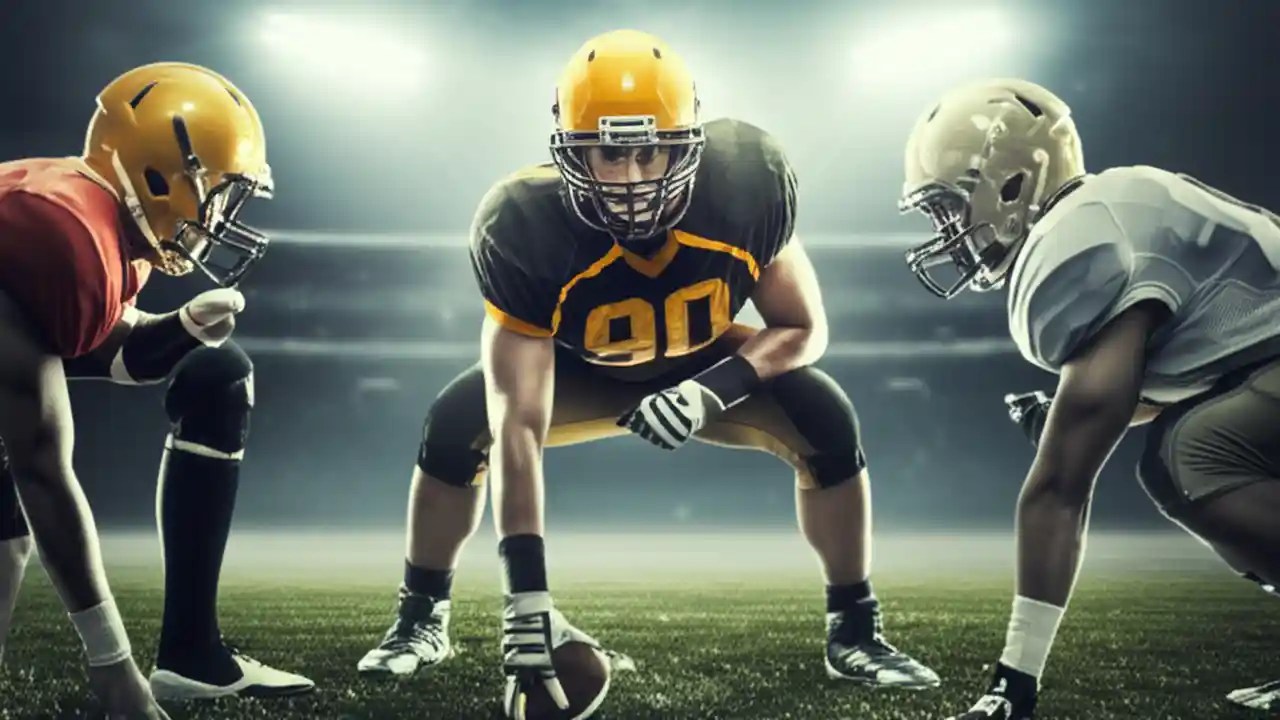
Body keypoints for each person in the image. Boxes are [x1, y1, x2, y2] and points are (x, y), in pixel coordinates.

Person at [358, 29, 940, 713]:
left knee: (826, 417)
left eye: (650, 150)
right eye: (609, 153)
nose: (633, 178)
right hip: (583, 369)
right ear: (571, 148)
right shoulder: (521, 226)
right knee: (457, 425)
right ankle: (421, 617)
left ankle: (855, 629)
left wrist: (711, 390)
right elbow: (516, 421)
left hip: (706, 361)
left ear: (687, 144)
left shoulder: (746, 183)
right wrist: (527, 594)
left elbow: (803, 328)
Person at [897, 77, 1280, 717]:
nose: (947, 230)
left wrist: (1014, 681)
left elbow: (1058, 489)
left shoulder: (1084, 237)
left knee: (1186, 458)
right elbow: (1205, 373)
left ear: (1012, 183)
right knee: (1196, 435)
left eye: (950, 207)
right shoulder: (1116, 203)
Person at [0, 62, 312, 717]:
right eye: (219, 192)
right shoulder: (61, 233)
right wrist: (114, 670)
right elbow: (43, 468)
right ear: (157, 173)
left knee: (5, 538)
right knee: (8, 531)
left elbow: (93, 348)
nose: (223, 215)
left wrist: (182, 328)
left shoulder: (93, 218)